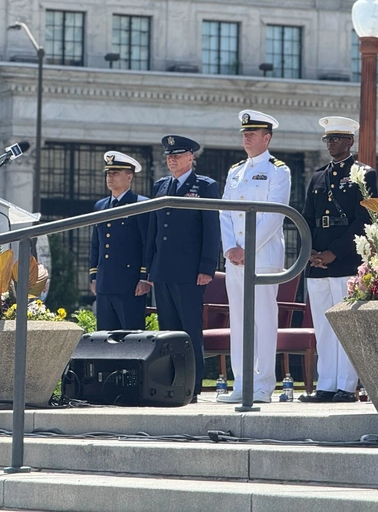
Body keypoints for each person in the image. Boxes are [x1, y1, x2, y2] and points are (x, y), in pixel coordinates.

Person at [299, 117, 377, 403]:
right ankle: (326, 384)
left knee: (346, 325)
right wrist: (310, 252)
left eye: (336, 138)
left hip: (345, 262)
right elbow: (307, 218)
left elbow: (364, 220)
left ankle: (346, 385)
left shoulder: (364, 174)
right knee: (323, 325)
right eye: (328, 139)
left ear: (350, 142)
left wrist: (334, 252)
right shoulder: (319, 176)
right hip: (318, 264)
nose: (331, 143)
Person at [217, 110, 291, 404]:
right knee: (239, 319)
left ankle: (262, 384)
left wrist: (246, 248)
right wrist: (229, 250)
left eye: (252, 133)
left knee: (262, 318)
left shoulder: (277, 170)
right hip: (235, 258)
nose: (246, 137)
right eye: (244, 133)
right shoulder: (235, 171)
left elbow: (274, 215)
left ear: (266, 138)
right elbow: (223, 212)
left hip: (262, 256)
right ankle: (241, 383)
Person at [145, 135, 221, 401]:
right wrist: (149, 270)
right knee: (168, 332)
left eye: (177, 155)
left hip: (190, 272)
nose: (172, 159)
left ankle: (194, 386)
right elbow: (154, 232)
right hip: (163, 270)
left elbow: (211, 229)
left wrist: (207, 267)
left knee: (189, 331)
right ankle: (173, 383)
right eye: (168, 156)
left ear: (191, 157)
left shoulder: (204, 186)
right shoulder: (161, 186)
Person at [88, 151, 150, 330]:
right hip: (105, 281)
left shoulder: (140, 204)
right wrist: (94, 276)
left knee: (130, 335)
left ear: (129, 176)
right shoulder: (101, 206)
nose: (110, 177)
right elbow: (96, 244)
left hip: (130, 282)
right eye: (108, 173)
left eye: (115, 173)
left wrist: (144, 278)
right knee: (104, 335)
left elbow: (147, 244)